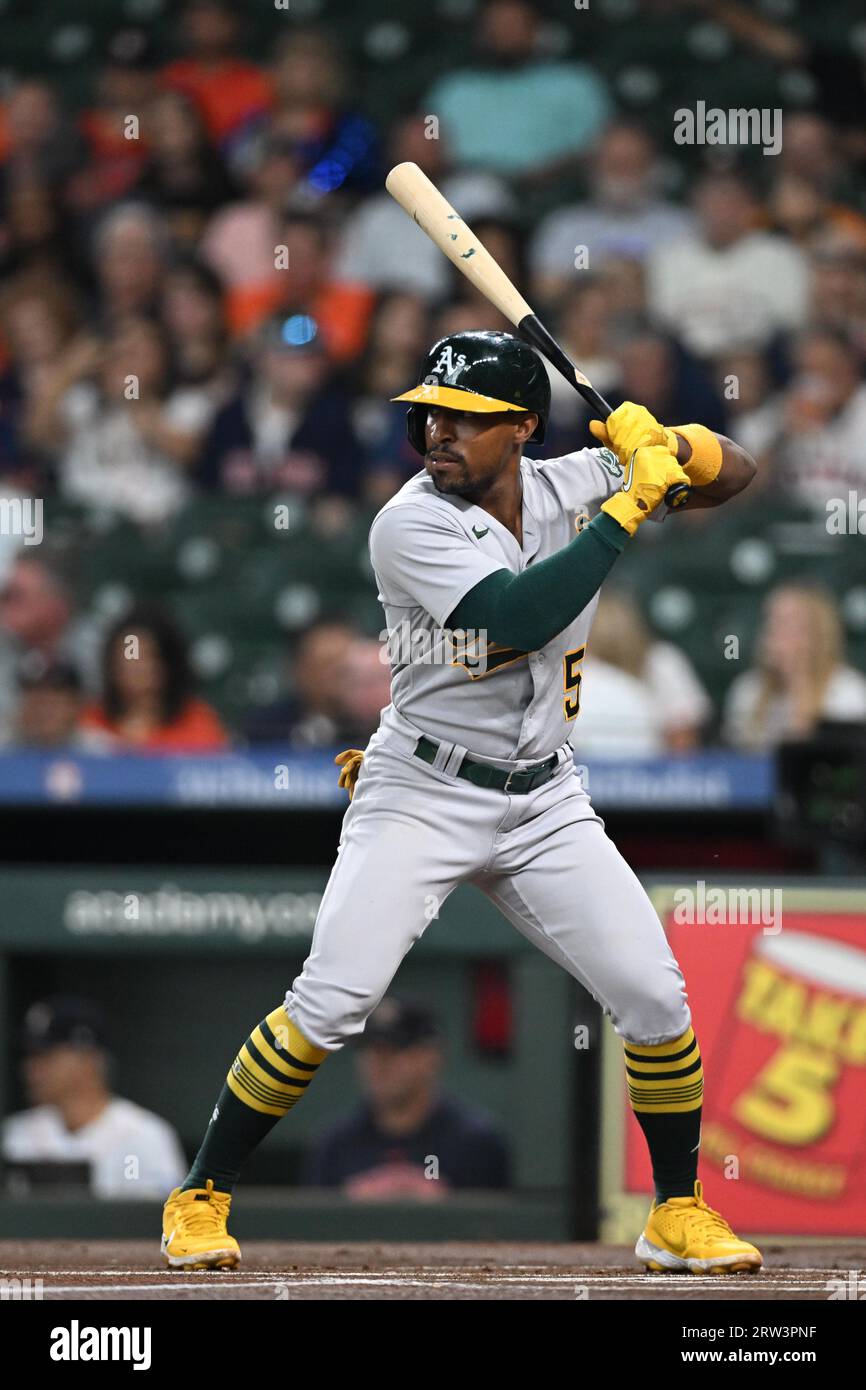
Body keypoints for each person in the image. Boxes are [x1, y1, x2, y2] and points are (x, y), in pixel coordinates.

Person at [161, 329, 763, 1277]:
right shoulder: (408, 523)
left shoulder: (575, 481)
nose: (438, 431)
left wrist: (675, 445)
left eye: (468, 419)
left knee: (654, 994)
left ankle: (677, 1212)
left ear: (523, 425)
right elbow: (512, 622)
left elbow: (741, 472)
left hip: (544, 795)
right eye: (430, 414)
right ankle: (201, 1193)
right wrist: (635, 499)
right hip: (423, 786)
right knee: (333, 1001)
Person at [304, 997, 509, 1197]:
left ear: (431, 1057)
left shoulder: (474, 1144)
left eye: (394, 1051)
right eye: (369, 1049)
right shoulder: (336, 1145)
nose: (379, 1063)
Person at [3, 996, 186, 1199]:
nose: (31, 1068)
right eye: (29, 1056)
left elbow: (168, 1225)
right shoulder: (14, 1135)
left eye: (46, 1055)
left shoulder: (146, 1137)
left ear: (88, 1059)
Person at [424, 0, 611, 184]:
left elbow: (598, 144)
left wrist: (547, 174)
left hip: (556, 188)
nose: (505, 34)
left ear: (536, 30)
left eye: (514, 25)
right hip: (467, 191)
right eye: (496, 25)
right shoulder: (453, 89)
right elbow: (427, 140)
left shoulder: (575, 83)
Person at [646, 171, 811, 361]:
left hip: (762, 361)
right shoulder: (668, 258)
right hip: (686, 365)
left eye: (730, 203)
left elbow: (792, 320)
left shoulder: (781, 256)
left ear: (749, 208)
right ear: (696, 208)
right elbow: (661, 320)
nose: (720, 212)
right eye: (712, 203)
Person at [723, 585, 866, 753]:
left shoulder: (848, 689)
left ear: (817, 633)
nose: (773, 633)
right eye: (771, 620)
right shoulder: (748, 688)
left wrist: (798, 677)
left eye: (787, 623)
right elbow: (739, 758)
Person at [80, 603, 228, 751]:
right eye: (126, 655)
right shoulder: (88, 723)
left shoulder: (198, 723)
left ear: (167, 662)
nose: (133, 666)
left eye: (145, 656)